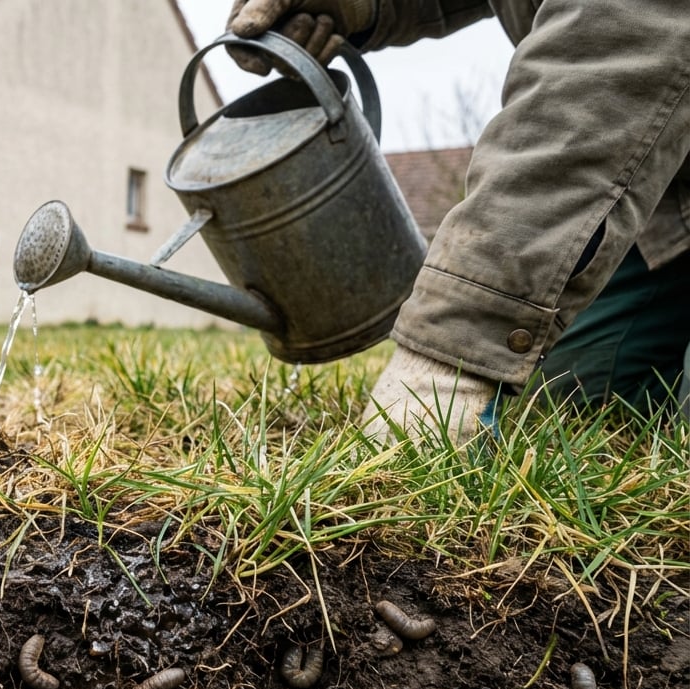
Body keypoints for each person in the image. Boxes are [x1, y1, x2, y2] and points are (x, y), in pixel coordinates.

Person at [223, 0, 690, 445]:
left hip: (642, 141)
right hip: (667, 204)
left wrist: (452, 355)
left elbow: (614, 53)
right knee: (575, 398)